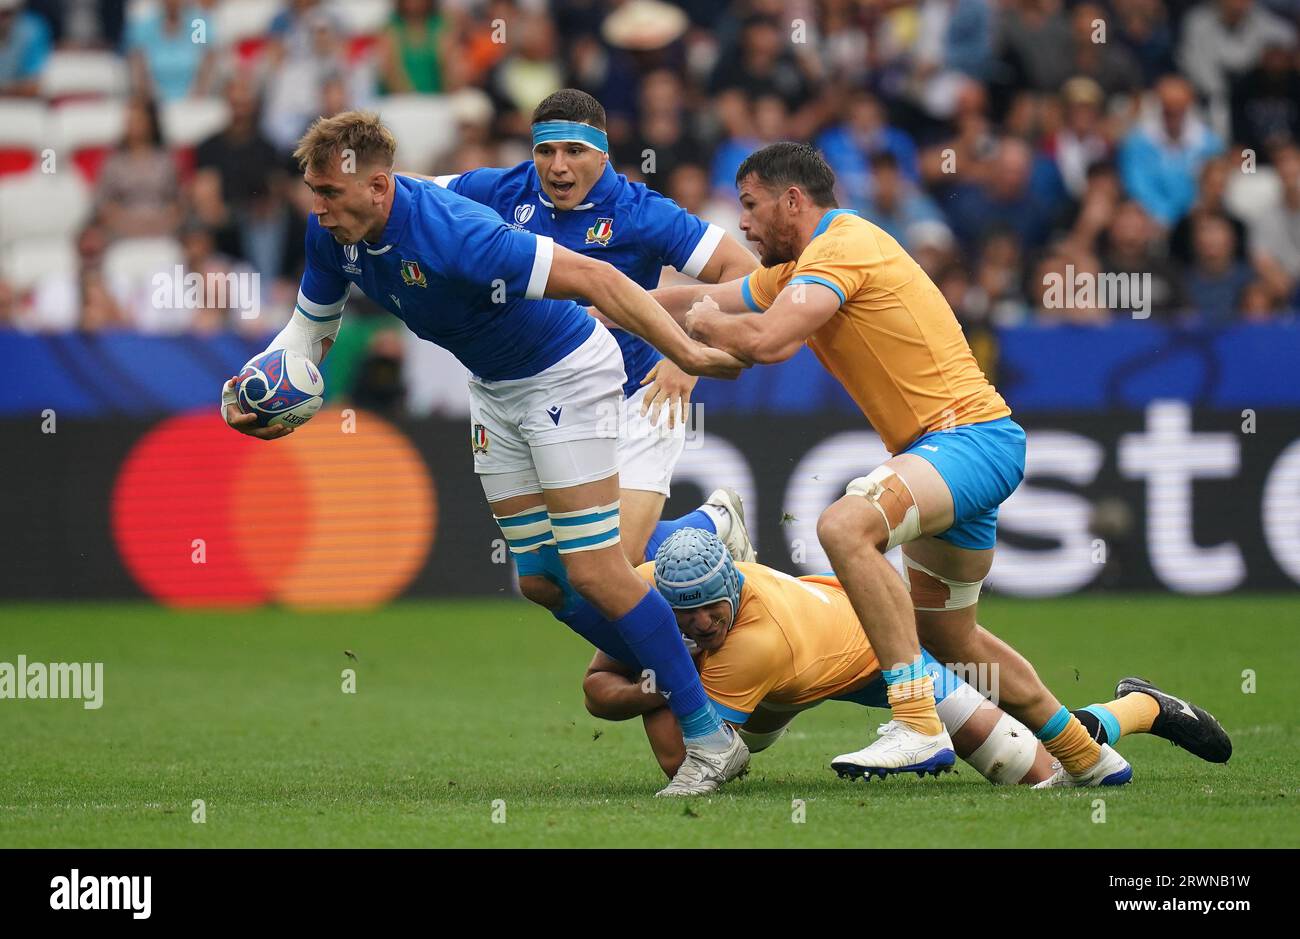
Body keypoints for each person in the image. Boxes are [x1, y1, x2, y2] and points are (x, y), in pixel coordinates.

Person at [219, 111, 749, 797]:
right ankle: (703, 546)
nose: (316, 209)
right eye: (314, 192)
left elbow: (603, 284)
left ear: (378, 188)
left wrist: (690, 355)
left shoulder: (456, 235)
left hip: (566, 372)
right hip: (495, 388)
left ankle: (707, 732)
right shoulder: (333, 236)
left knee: (595, 569)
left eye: (329, 194)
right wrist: (248, 388)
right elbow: (308, 331)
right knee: (542, 580)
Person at [655, 141, 1130, 788]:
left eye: (750, 204)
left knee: (845, 527)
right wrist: (581, 302)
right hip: (954, 451)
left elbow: (765, 340)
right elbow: (693, 301)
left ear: (793, 200)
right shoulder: (797, 269)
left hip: (968, 440)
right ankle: (1087, 755)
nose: (742, 222)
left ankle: (918, 723)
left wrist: (706, 321)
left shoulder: (843, 243)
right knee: (952, 640)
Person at [581, 529, 1231, 784]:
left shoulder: (750, 641)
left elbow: (683, 759)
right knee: (734, 718)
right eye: (682, 613)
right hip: (800, 657)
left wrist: (664, 675)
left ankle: (1142, 705)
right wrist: (663, 678)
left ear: (734, 586)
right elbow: (593, 685)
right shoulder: (651, 585)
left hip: (875, 654)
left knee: (1037, 772)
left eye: (709, 609)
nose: (697, 622)